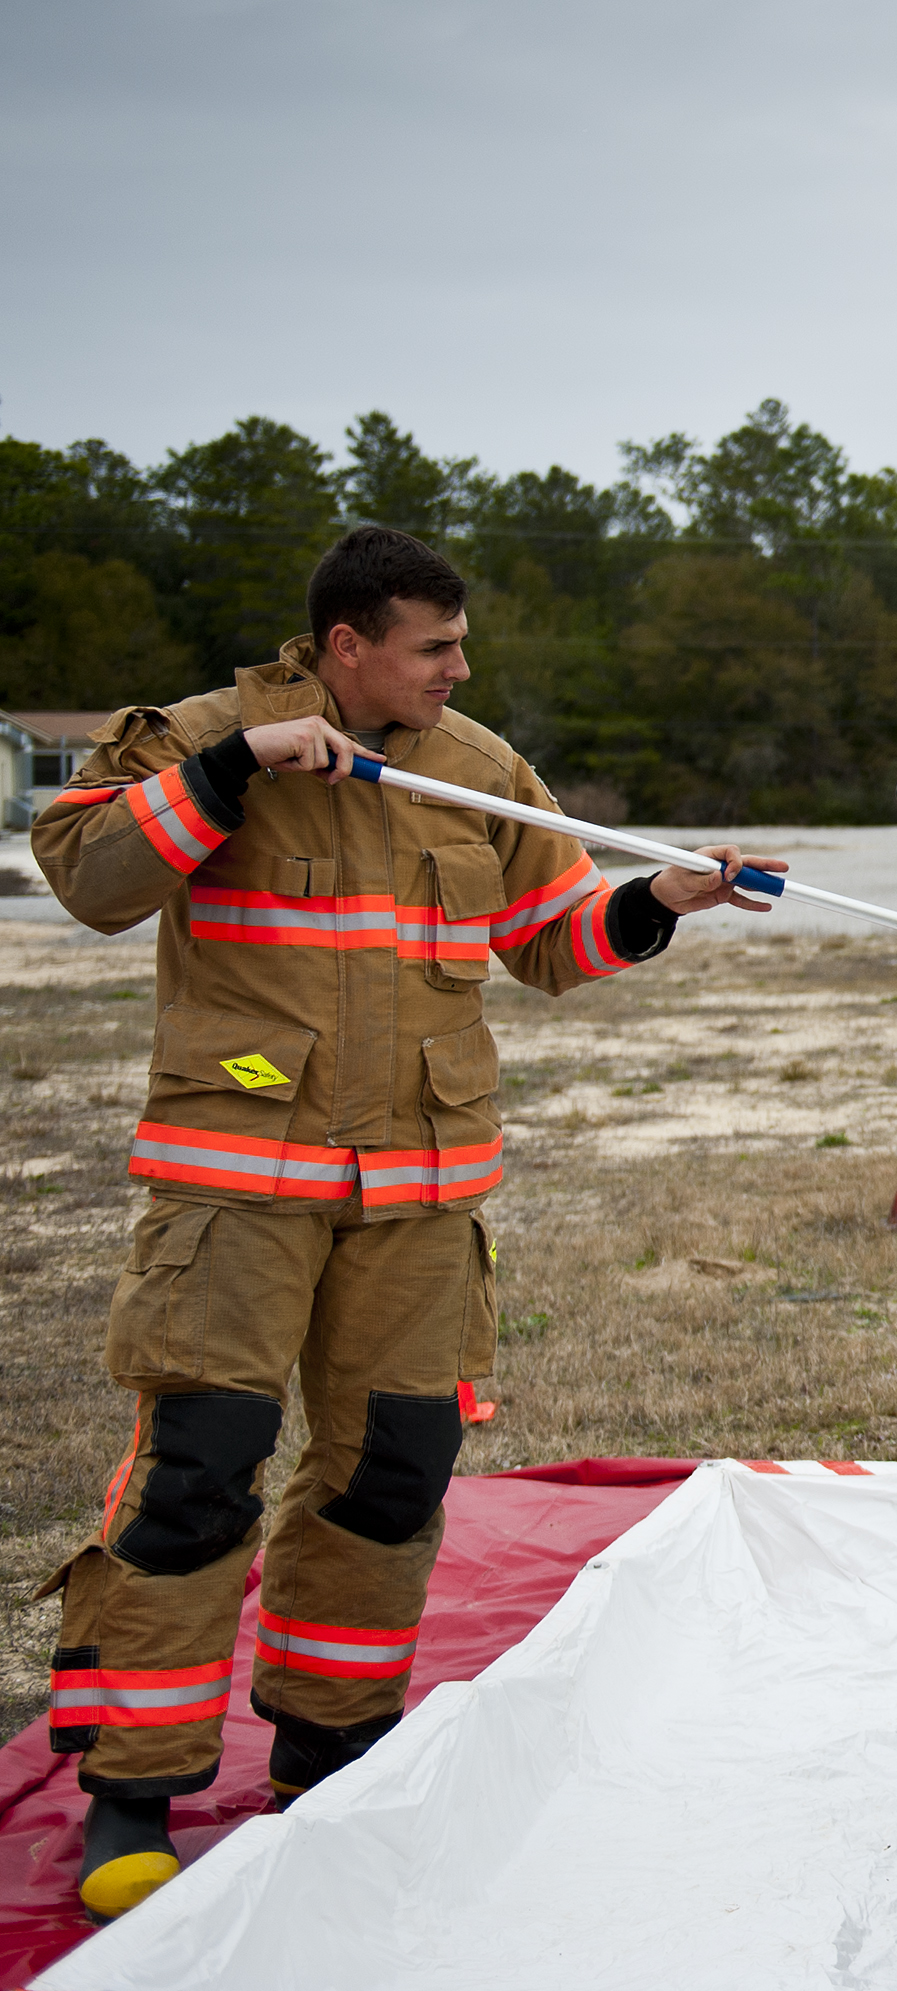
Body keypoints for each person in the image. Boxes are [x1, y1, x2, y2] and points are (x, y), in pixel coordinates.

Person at [30, 526, 779, 1922]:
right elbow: (87, 879)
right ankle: (135, 1784)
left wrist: (664, 898)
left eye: (462, 641)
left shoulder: (482, 767)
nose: (460, 665)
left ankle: (331, 1752)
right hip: (237, 1189)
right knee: (202, 1472)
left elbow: (555, 939)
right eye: (434, 644)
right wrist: (232, 772)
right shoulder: (202, 736)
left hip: (421, 1202)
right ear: (344, 646)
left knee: (393, 1470)